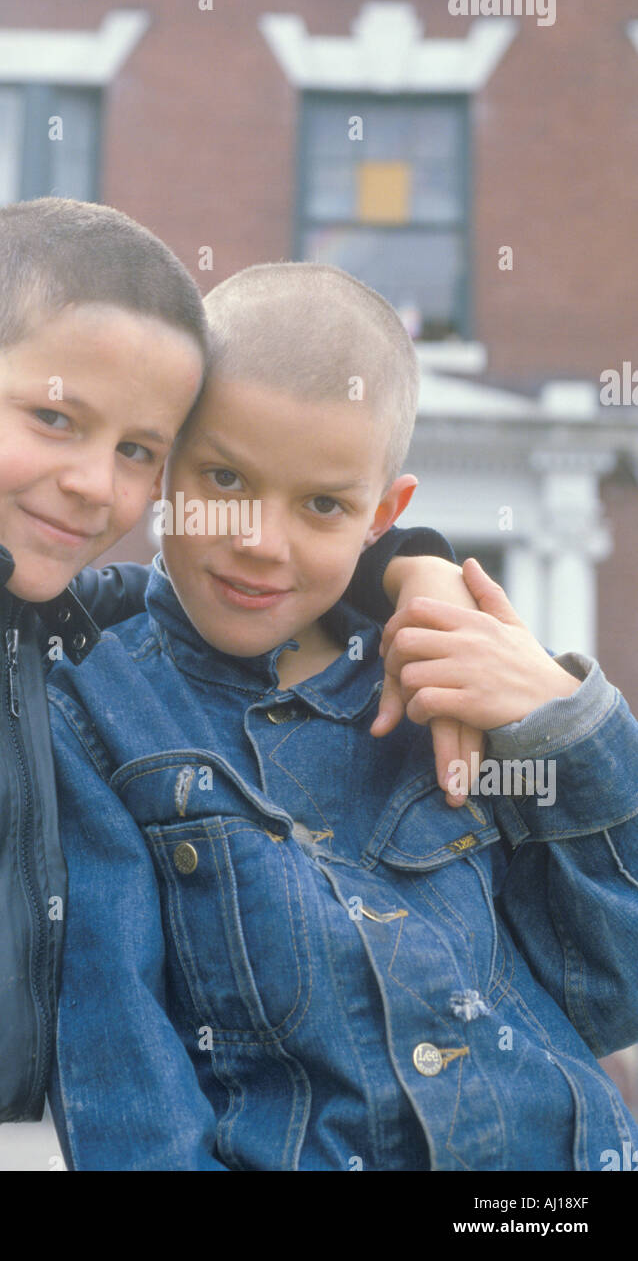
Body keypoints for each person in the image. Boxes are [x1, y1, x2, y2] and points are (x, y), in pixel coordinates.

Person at [0, 203, 457, 1171]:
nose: (95, 484)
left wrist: (413, 571)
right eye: (54, 418)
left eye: (138, 450)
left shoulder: (9, 584)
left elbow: (243, 580)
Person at [46, 262, 638, 1171]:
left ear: (382, 515)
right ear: (162, 460)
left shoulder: (449, 685)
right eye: (224, 477)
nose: (261, 540)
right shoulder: (96, 709)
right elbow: (123, 1080)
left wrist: (565, 723)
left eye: (322, 504)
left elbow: (615, 994)